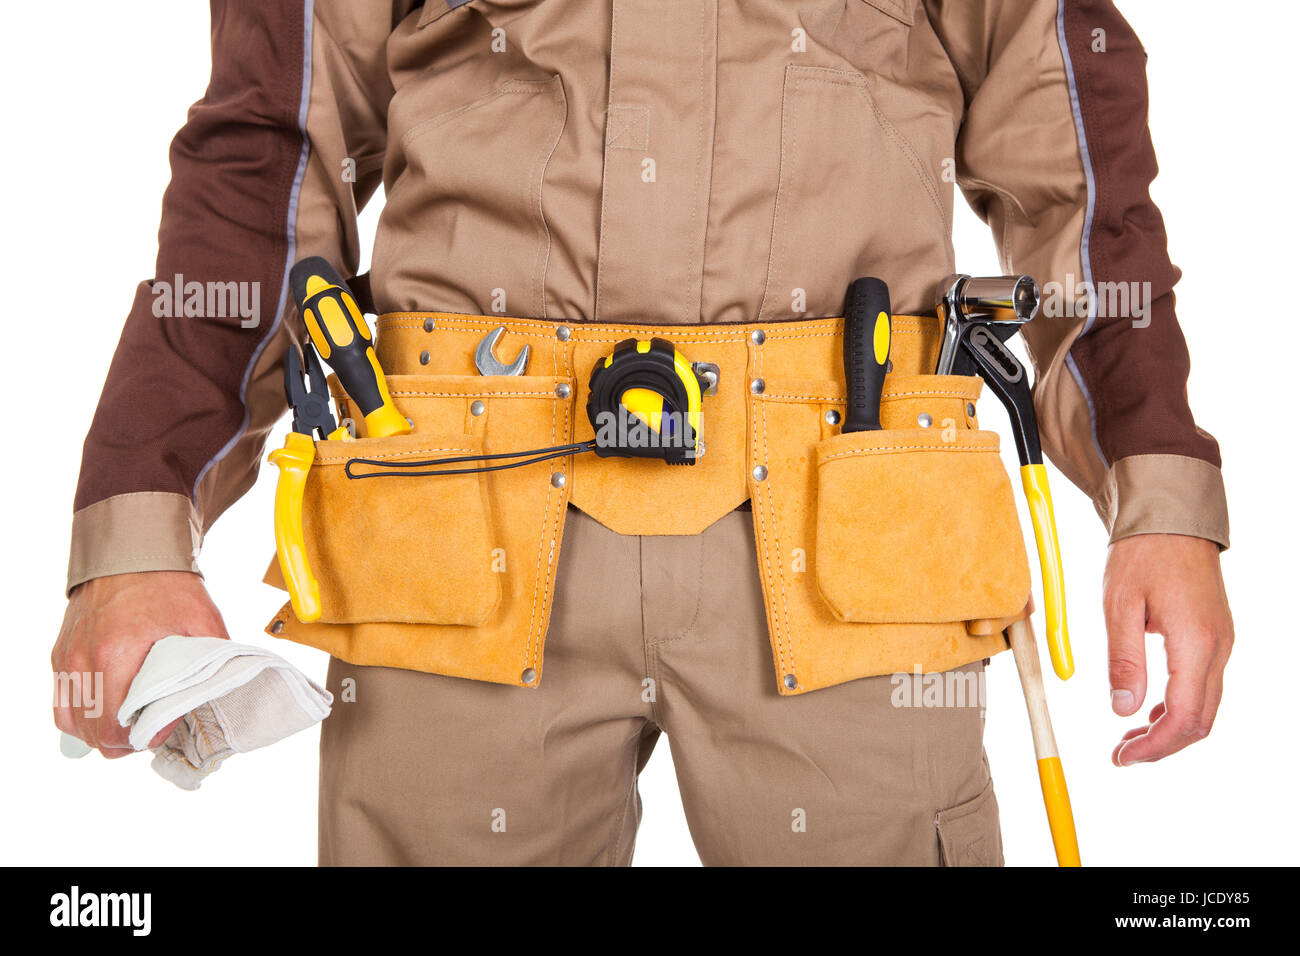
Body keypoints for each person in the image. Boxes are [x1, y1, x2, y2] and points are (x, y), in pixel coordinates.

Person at [51, 0, 1233, 865]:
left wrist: (1156, 489)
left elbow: (1082, 185)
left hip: (852, 535)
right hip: (453, 536)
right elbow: (263, 160)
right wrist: (140, 527)